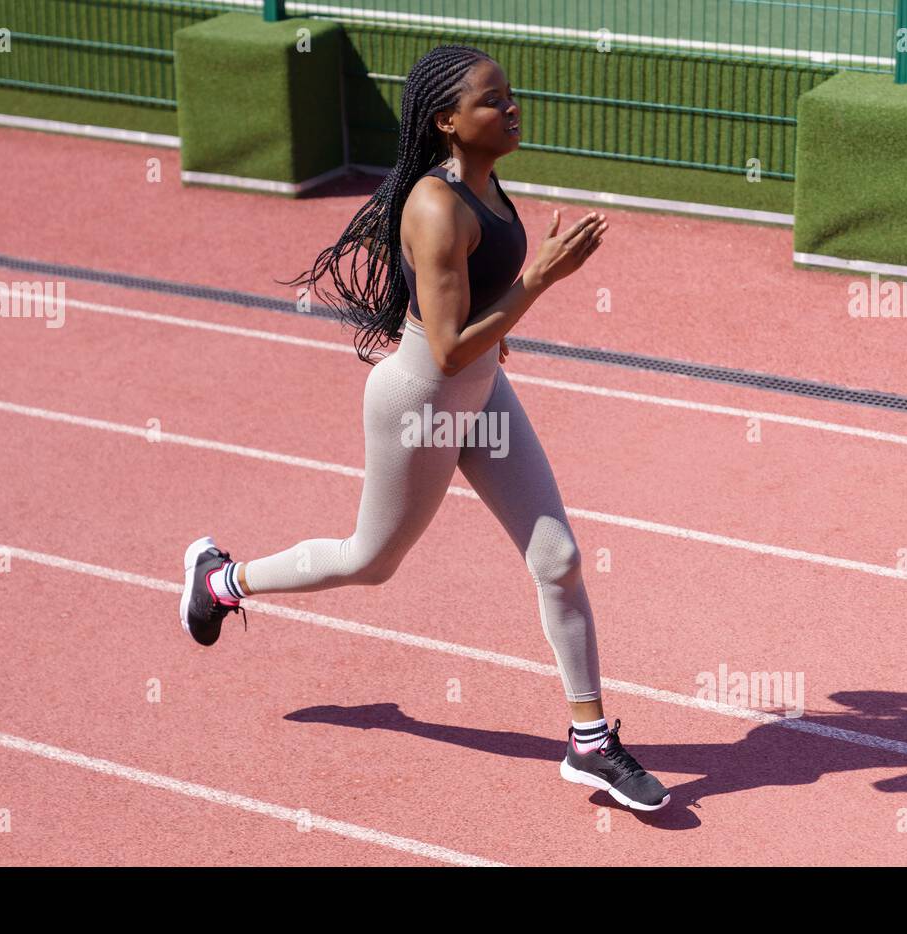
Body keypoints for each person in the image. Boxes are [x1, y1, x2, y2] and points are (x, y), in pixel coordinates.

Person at [180, 44, 670, 812]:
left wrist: (498, 320)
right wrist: (537, 283)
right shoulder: (436, 206)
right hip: (421, 402)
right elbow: (442, 350)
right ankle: (219, 580)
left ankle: (591, 743)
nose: (511, 108)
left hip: (479, 392)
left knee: (559, 557)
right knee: (370, 562)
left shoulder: (484, 176)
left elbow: (470, 307)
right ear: (448, 121)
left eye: (509, 95)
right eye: (491, 101)